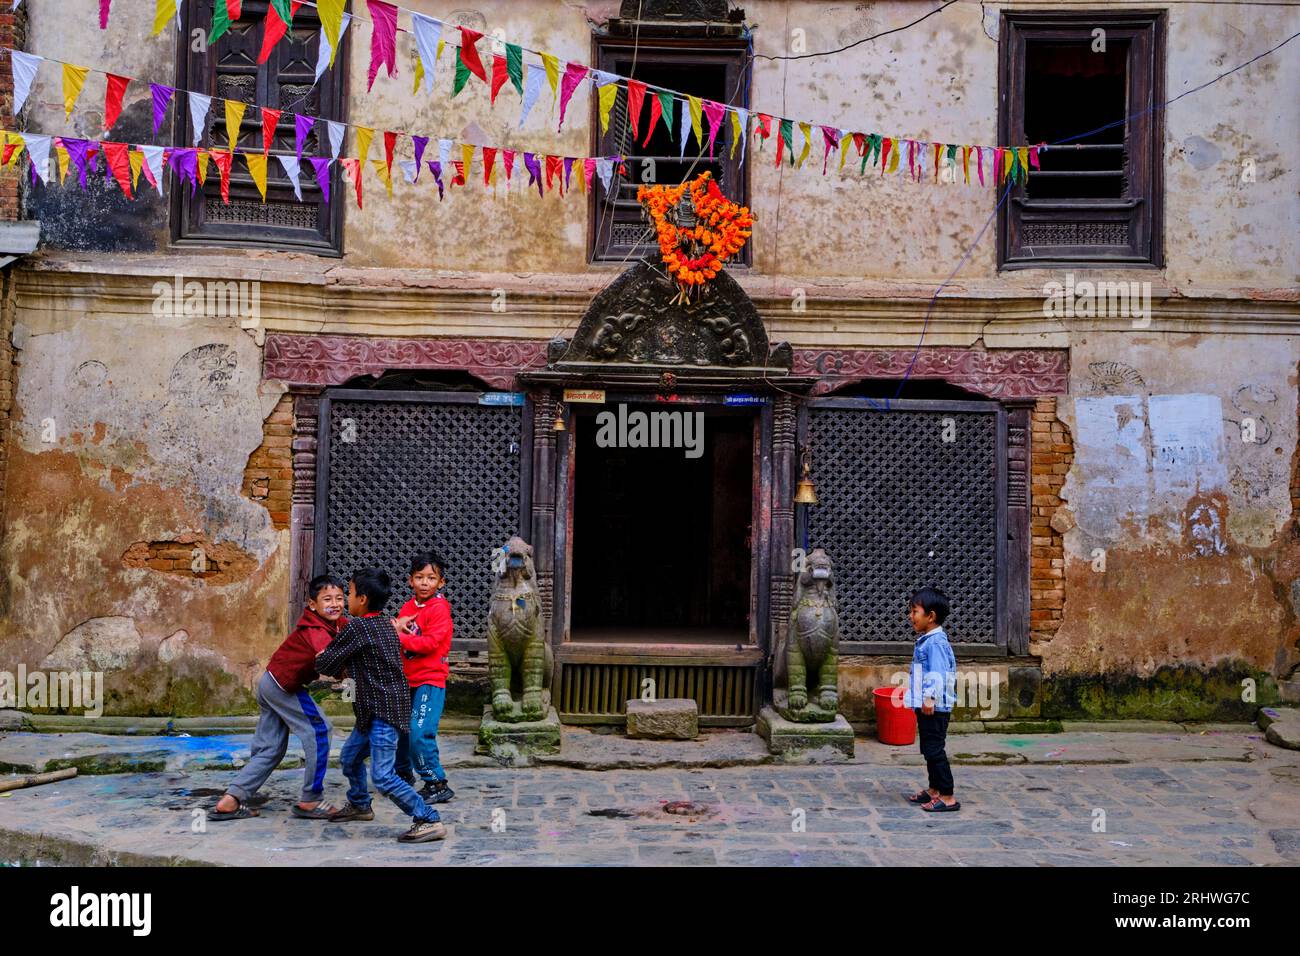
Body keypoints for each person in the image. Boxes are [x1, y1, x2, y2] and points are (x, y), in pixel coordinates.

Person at [315, 568, 447, 843]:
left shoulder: (358, 627)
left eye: (348, 594)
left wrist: (322, 654)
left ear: (362, 599)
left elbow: (326, 664)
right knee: (350, 759)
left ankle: (428, 818)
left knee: (383, 776)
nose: (344, 601)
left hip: (383, 714)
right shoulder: (386, 624)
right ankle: (361, 804)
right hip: (372, 711)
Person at [211, 575, 343, 821]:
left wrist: (391, 626)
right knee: (320, 730)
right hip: (283, 687)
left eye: (339, 598)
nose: (334, 604)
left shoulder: (333, 624)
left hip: (269, 682)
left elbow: (352, 632)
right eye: (327, 599)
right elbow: (328, 660)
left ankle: (231, 800)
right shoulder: (315, 629)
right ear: (312, 605)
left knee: (270, 749)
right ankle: (311, 799)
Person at [393, 551, 456, 804]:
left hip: (430, 680)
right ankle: (402, 774)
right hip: (408, 679)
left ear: (441, 583)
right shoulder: (408, 607)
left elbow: (430, 643)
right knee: (402, 730)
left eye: (431, 578)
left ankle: (436, 782)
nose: (425, 582)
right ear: (410, 580)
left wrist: (399, 634)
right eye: (419, 577)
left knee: (420, 732)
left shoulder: (439, 609)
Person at [902, 586, 960, 812]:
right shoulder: (928, 640)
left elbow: (937, 673)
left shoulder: (935, 643)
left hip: (934, 706)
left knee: (935, 750)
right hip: (927, 705)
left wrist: (929, 698)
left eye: (915, 611)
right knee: (928, 748)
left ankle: (947, 795)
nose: (910, 616)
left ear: (931, 616)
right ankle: (934, 789)